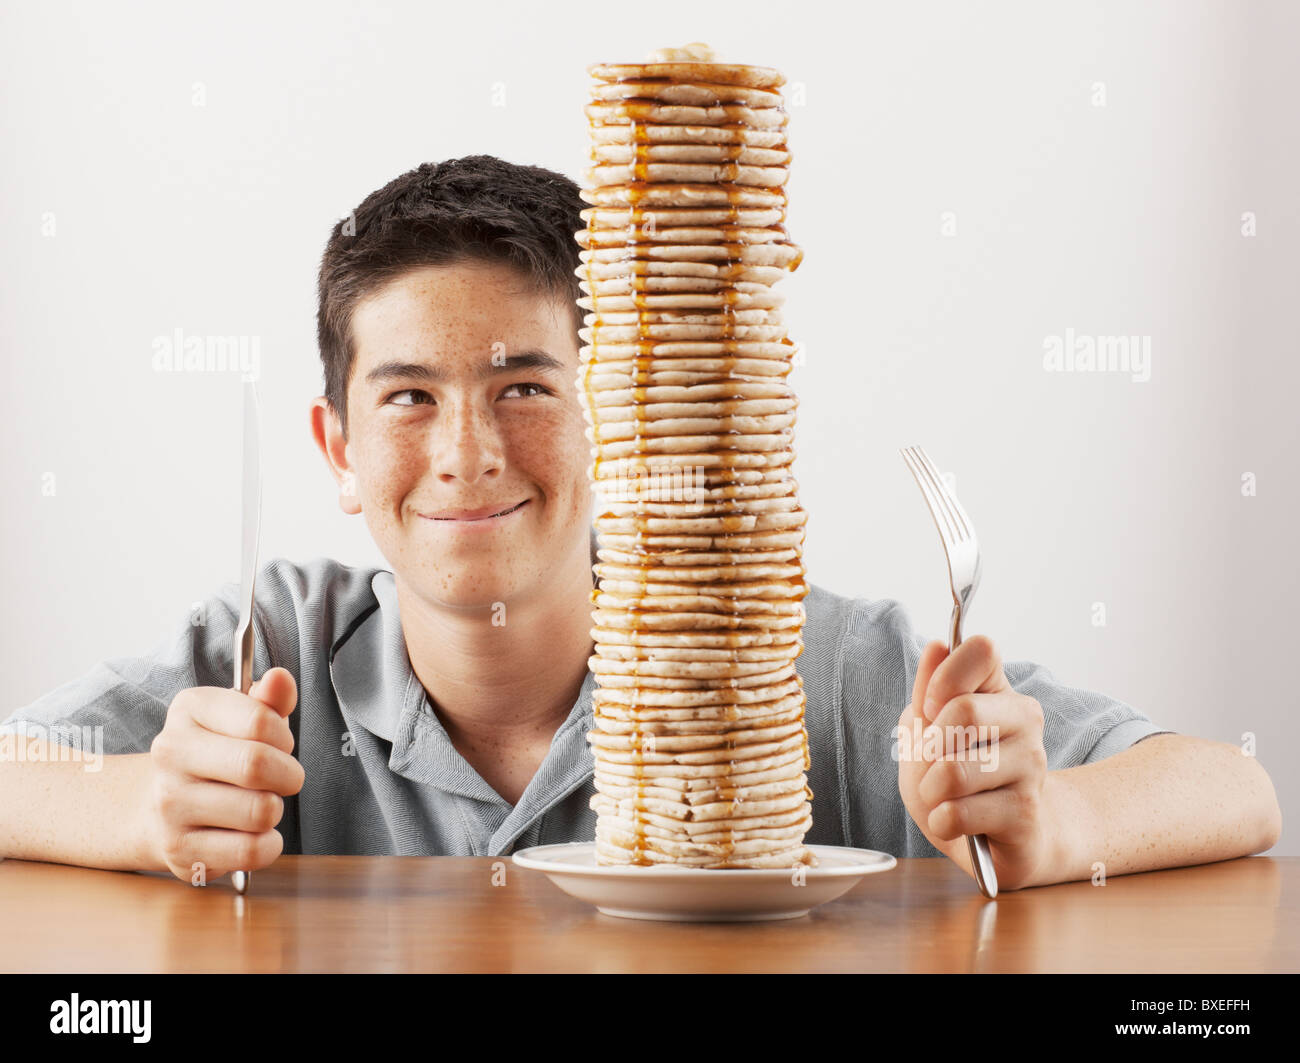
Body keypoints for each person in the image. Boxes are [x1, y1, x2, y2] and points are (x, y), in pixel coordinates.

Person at [0, 156, 1281, 891]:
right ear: (337, 450)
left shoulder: (798, 658)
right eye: (407, 397)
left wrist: (1055, 823)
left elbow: (1234, 786)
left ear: (622, 417)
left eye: (523, 387)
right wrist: (132, 807)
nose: (468, 452)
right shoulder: (263, 652)